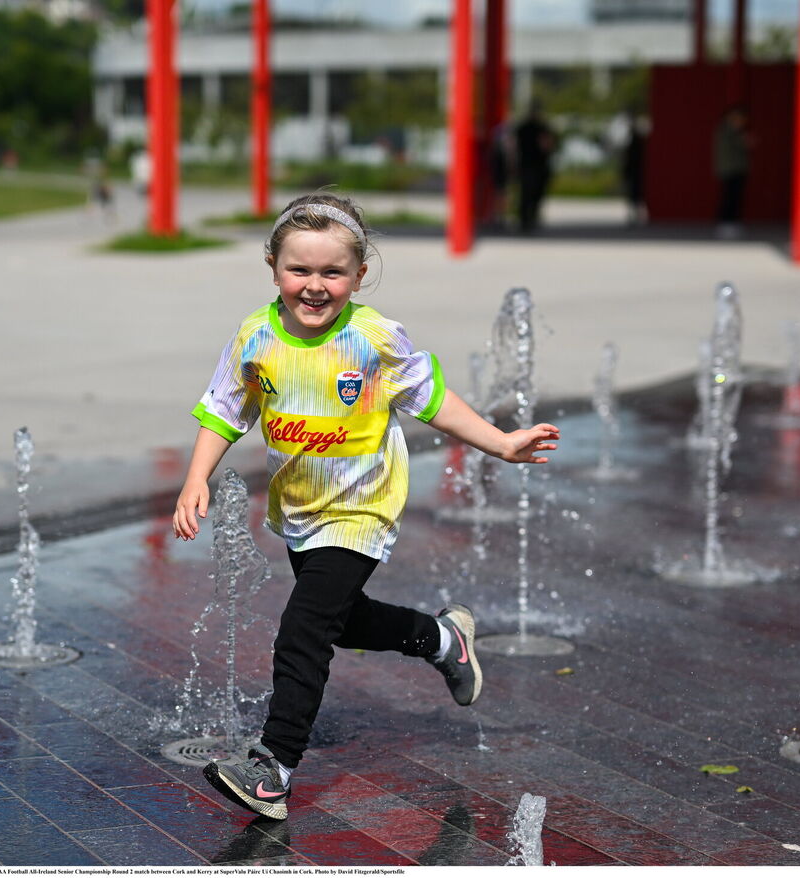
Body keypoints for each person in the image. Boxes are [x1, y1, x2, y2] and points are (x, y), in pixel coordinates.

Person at [173, 194, 560, 821]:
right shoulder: (255, 336)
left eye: (333, 273)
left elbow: (433, 399)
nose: (315, 286)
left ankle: (274, 767)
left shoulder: (373, 339)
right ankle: (442, 638)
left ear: (359, 274)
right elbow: (224, 409)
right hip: (301, 510)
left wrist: (501, 442)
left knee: (302, 630)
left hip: (362, 508)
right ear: (273, 266)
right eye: (300, 270)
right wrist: (197, 477)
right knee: (340, 623)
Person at [514, 103, 557, 233]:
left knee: (530, 193)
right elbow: (548, 145)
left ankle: (527, 219)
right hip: (532, 166)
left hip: (532, 165)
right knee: (530, 193)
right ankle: (527, 219)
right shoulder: (536, 128)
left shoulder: (531, 128)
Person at [712, 105, 752, 239]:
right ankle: (725, 224)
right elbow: (739, 145)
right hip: (730, 168)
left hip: (737, 168)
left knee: (735, 197)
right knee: (729, 197)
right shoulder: (727, 130)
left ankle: (733, 223)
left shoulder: (734, 131)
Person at [620, 110, 648, 226]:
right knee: (634, 196)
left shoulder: (636, 142)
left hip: (636, 172)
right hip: (634, 172)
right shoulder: (635, 142)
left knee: (635, 196)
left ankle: (636, 216)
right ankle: (634, 216)